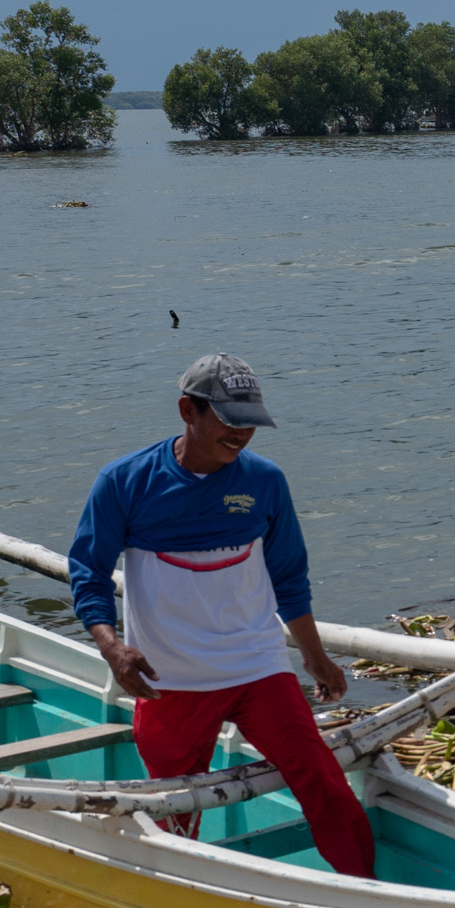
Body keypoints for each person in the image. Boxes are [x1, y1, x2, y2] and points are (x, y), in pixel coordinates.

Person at [68, 354, 377, 878]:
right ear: (189, 409)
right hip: (170, 680)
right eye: (231, 421)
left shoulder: (265, 482)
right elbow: (89, 574)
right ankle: (188, 886)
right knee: (175, 808)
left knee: (320, 776)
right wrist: (112, 648)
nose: (243, 435)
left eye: (251, 422)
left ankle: (365, 887)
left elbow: (289, 578)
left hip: (256, 668)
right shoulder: (124, 482)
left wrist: (315, 657)